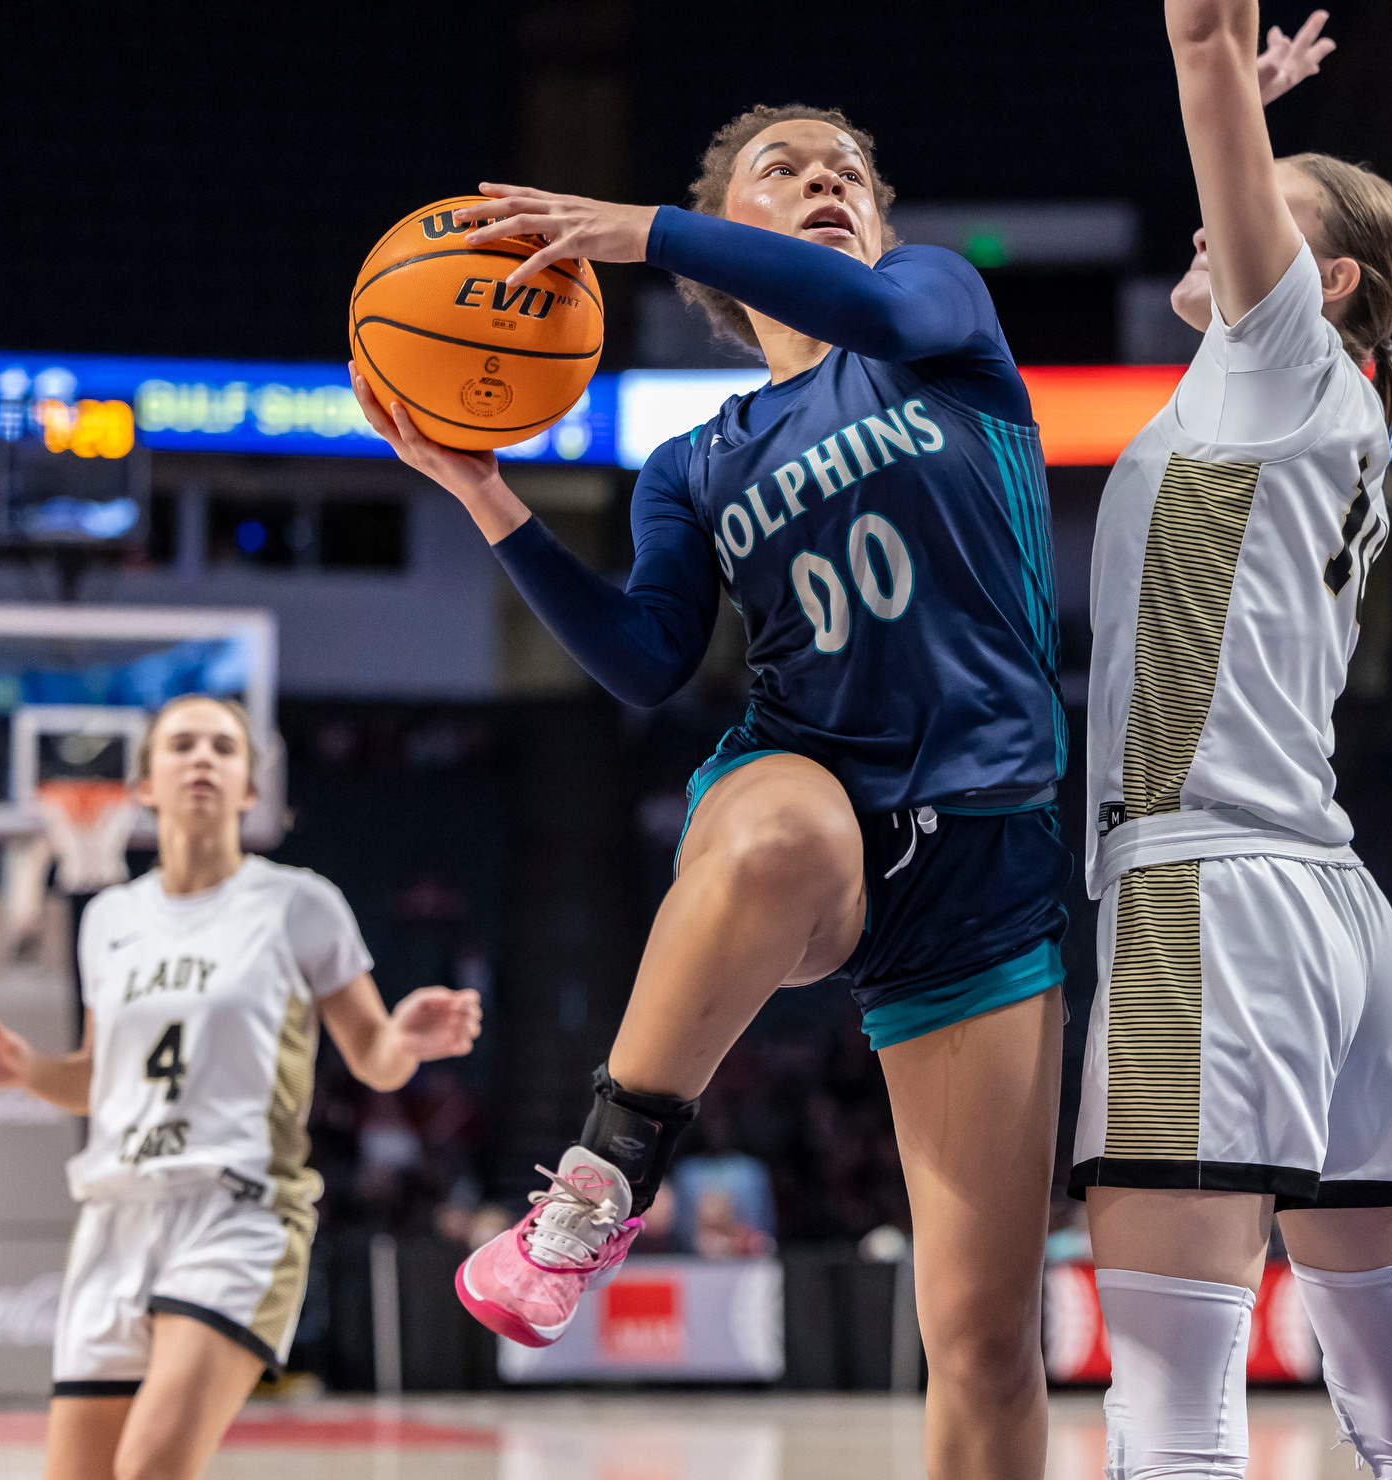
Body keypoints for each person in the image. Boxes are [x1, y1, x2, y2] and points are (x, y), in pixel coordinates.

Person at [351, 103, 1075, 1478]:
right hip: (805, 802)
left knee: (983, 1340)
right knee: (782, 823)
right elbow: (645, 661)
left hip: (985, 855)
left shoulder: (935, 313)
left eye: (848, 169)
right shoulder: (691, 465)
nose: (824, 179)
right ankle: (599, 1179)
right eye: (780, 170)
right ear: (730, 238)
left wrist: (639, 229)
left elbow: (879, 303)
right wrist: (481, 493)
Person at [1067, 5, 1392, 1475]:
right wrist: (1245, 133)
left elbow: (1198, 39)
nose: (1214, 218)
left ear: (1328, 281)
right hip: (1327, 909)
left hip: (1207, 898)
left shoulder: (1281, 357)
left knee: (1169, 1408)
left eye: (1252, 203)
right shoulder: (1322, 392)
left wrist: (1222, 83)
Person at [0, 695, 481, 1480]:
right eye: (183, 745)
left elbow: (374, 1057)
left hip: (237, 1212)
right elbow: (100, 1080)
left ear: (250, 789)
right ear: (143, 785)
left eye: (223, 749)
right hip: (114, 1217)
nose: (203, 758)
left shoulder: (299, 904)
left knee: (150, 1468)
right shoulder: (110, 918)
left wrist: (406, 1038)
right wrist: (25, 1068)